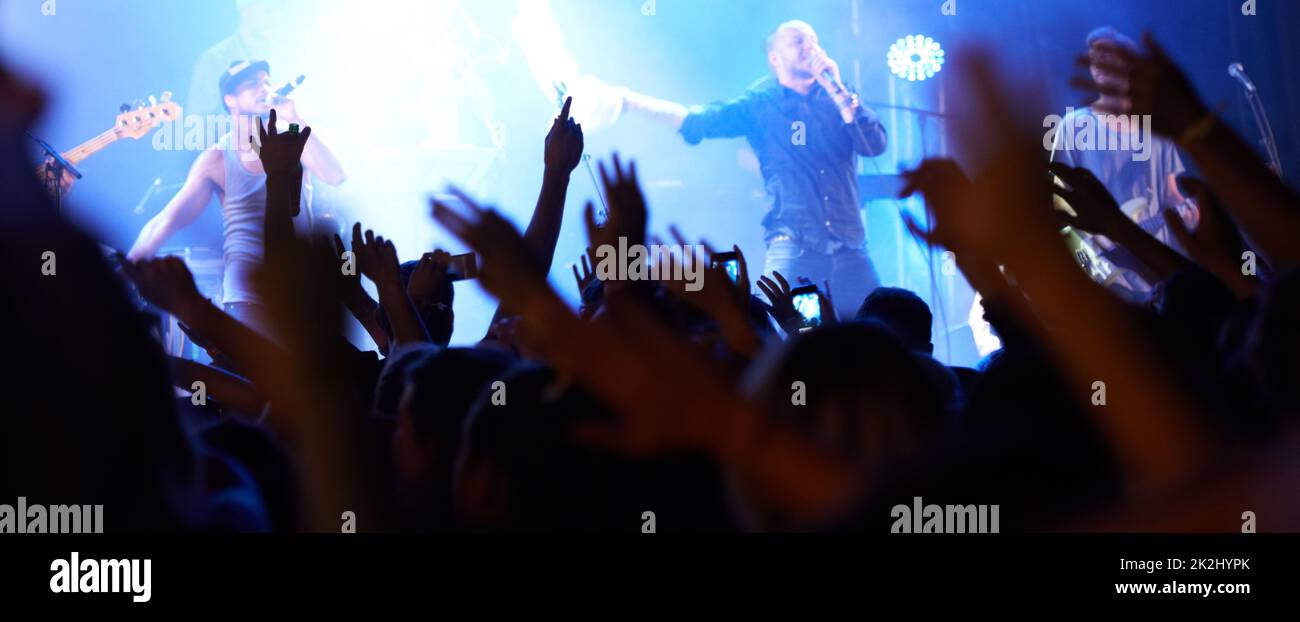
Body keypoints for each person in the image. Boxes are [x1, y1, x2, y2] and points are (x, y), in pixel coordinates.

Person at [618, 20, 888, 318]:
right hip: (795, 242)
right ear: (775, 58)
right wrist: (632, 103)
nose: (811, 47)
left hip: (849, 245)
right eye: (798, 41)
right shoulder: (760, 104)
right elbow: (700, 121)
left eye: (814, 40)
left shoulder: (838, 98)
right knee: (774, 328)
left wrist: (843, 99)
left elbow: (873, 146)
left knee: (881, 330)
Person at [127, 60, 345, 335]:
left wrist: (295, 119)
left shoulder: (291, 138)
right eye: (252, 84)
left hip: (301, 290)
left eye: (266, 81)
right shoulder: (217, 157)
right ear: (230, 99)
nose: (263, 88)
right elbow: (167, 220)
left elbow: (335, 176)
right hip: (247, 297)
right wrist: (127, 268)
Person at [1050, 26, 1196, 292]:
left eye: (1108, 55)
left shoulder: (1157, 128)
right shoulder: (1072, 127)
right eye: (1095, 58)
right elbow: (1059, 203)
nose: (1100, 63)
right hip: (1105, 279)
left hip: (1159, 277)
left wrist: (1190, 213)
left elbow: (1172, 195)